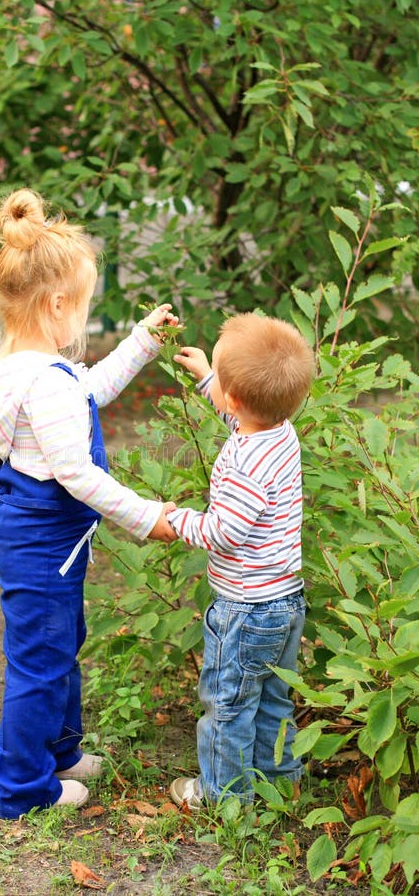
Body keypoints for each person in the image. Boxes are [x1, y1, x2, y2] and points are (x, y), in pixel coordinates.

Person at [0, 187, 178, 819]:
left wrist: (142, 342)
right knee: (41, 660)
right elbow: (77, 473)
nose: (84, 320)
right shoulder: (43, 379)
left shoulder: (23, 366)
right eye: (85, 308)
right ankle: (23, 787)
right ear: (58, 303)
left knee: (62, 641)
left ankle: (59, 752)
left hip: (36, 537)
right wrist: (149, 517)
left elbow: (86, 391)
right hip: (42, 541)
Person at [166, 312, 315, 809]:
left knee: (228, 705)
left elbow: (224, 533)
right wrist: (210, 375)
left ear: (235, 397)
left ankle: (223, 798)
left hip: (246, 609)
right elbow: (241, 414)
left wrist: (177, 521)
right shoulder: (280, 432)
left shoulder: (241, 463)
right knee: (273, 697)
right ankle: (279, 779)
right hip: (284, 602)